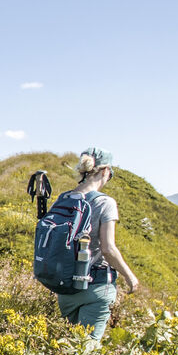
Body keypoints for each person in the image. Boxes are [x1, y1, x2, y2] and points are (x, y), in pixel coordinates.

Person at [54, 147, 141, 344]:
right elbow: (108, 249)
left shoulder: (64, 199)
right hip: (96, 285)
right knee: (86, 351)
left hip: (65, 289)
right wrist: (130, 276)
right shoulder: (105, 203)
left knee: (70, 345)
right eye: (110, 174)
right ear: (104, 171)